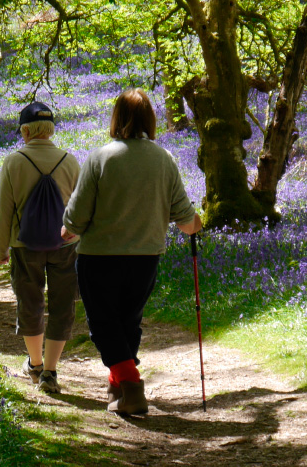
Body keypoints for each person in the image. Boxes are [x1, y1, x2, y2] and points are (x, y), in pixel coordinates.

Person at [62, 88, 202, 416]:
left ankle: (132, 387)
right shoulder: (164, 159)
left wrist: (67, 228)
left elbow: (76, 218)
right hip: (146, 258)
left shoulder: (100, 157)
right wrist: (200, 221)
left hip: (100, 257)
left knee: (104, 325)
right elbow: (186, 220)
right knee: (128, 323)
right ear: (150, 120)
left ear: (116, 118)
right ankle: (119, 387)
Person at [0, 101, 81, 394]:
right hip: (66, 245)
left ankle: (34, 363)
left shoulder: (14, 162)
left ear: (26, 131)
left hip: (24, 246)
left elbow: (2, 212)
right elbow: (81, 210)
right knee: (62, 305)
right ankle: (51, 371)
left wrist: (1, 249)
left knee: (29, 303)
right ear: (50, 130)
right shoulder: (70, 161)